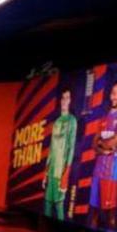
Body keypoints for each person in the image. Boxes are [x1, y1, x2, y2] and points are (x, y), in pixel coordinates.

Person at [43, 88, 77, 220]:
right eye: (62, 98)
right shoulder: (56, 122)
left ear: (70, 101)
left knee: (59, 205)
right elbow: (51, 149)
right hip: (51, 171)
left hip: (61, 172)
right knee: (47, 204)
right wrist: (45, 173)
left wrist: (66, 174)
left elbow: (71, 148)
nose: (64, 101)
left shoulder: (72, 121)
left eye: (67, 98)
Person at [88, 83, 117, 231]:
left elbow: (114, 142)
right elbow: (94, 143)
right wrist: (102, 148)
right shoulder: (105, 117)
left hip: (112, 171)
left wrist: (103, 144)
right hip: (98, 169)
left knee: (111, 217)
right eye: (113, 92)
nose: (114, 96)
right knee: (93, 213)